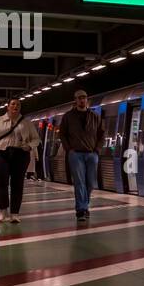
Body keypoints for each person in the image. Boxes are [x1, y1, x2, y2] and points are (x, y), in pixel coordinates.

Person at [0, 97, 40, 223]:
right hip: (1, 154)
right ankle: (2, 211)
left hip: (20, 154)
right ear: (8, 107)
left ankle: (15, 213)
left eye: (18, 105)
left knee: (17, 184)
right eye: (13, 104)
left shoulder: (26, 122)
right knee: (1, 183)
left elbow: (36, 139)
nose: (15, 106)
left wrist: (30, 146)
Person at [61, 88, 104, 221]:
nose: (82, 100)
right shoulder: (68, 116)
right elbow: (62, 134)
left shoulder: (95, 116)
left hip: (92, 154)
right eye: (79, 98)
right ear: (76, 100)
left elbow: (101, 134)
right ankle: (81, 210)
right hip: (76, 154)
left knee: (90, 182)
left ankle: (85, 205)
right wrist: (69, 149)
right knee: (79, 182)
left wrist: (97, 149)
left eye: (84, 97)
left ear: (87, 99)